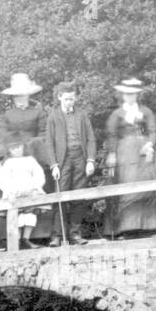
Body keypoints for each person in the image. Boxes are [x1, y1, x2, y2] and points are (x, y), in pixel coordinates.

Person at [103, 78, 156, 238]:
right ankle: (125, 228)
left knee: (147, 187)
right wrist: (112, 153)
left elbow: (153, 131)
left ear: (137, 95)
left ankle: (151, 227)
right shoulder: (117, 114)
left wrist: (150, 144)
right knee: (128, 187)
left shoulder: (146, 111)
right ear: (122, 95)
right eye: (127, 94)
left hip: (144, 153)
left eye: (133, 94)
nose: (130, 97)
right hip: (125, 154)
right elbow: (111, 135)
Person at [44, 82, 97, 245]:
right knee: (61, 196)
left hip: (80, 157)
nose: (69, 102)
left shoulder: (82, 115)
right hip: (62, 160)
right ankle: (57, 236)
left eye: (72, 99)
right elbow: (49, 143)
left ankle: (74, 234)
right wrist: (53, 165)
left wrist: (90, 161)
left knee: (79, 196)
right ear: (60, 98)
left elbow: (90, 139)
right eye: (66, 99)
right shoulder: (53, 116)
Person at [0, 140, 48, 249]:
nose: (17, 150)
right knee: (17, 216)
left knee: (30, 215)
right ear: (9, 150)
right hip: (14, 193)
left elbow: (39, 175)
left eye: (19, 146)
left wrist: (36, 187)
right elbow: (3, 179)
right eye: (14, 148)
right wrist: (9, 191)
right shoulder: (7, 163)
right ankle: (17, 240)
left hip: (30, 192)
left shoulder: (30, 160)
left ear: (23, 147)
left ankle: (26, 239)